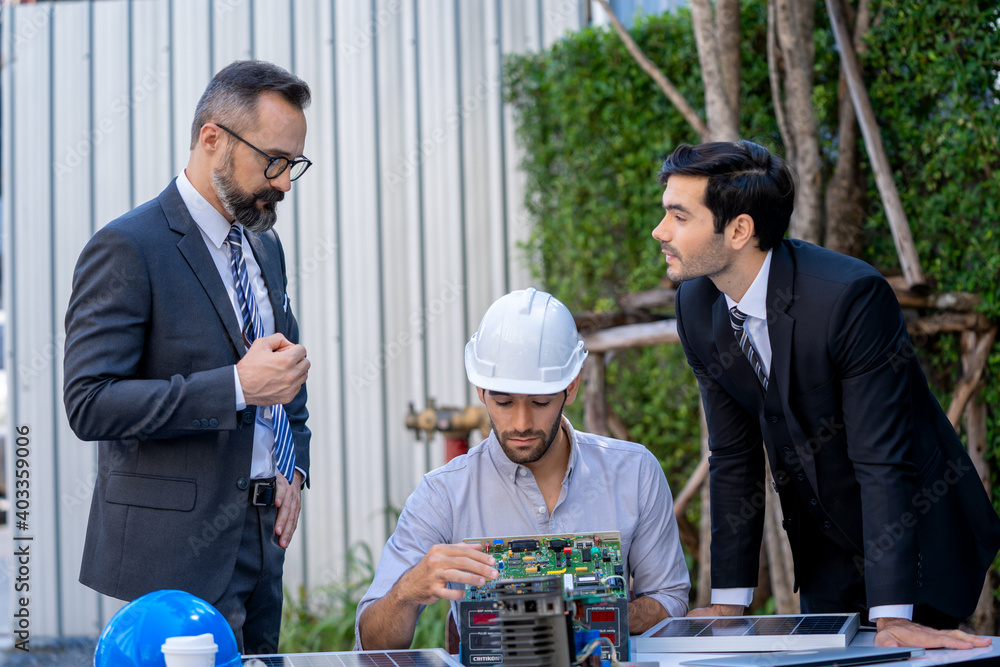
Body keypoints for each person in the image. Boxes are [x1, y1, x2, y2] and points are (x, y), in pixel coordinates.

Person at [653, 140, 1000, 649]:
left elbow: (881, 459)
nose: (660, 232)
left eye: (679, 217)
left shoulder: (850, 298)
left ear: (739, 230)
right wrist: (730, 599)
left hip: (921, 537)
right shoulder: (696, 305)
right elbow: (732, 454)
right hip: (822, 549)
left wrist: (891, 615)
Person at [63, 59, 312, 655]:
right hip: (174, 552)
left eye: (293, 166)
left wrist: (293, 467)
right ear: (212, 140)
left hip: (261, 540)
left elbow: (286, 374)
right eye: (272, 162)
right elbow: (89, 403)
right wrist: (233, 386)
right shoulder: (128, 246)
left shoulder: (264, 245)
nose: (282, 183)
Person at [355, 287, 690, 649]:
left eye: (540, 402)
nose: (521, 422)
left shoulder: (635, 472)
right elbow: (371, 644)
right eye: (503, 401)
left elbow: (670, 602)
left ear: (571, 387)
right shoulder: (443, 495)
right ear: (481, 390)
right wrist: (408, 590)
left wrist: (606, 614)